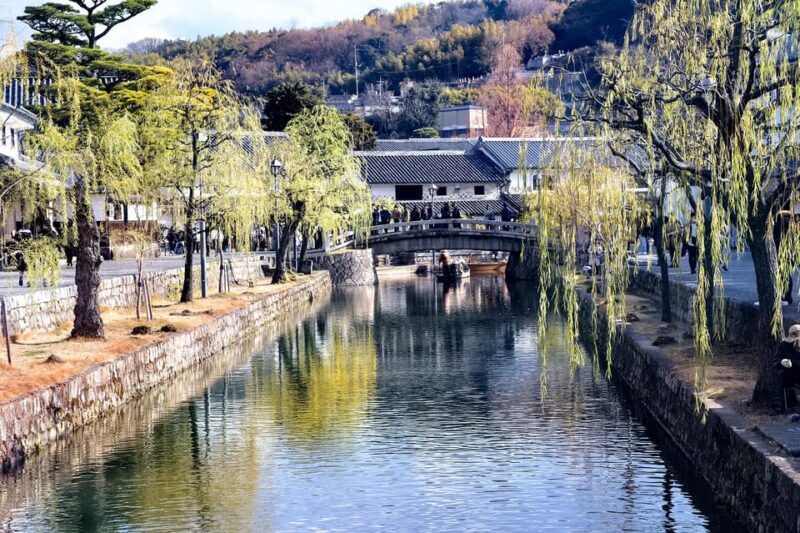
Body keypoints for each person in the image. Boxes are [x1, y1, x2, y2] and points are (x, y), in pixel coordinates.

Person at [770, 325, 800, 415]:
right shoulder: (784, 345)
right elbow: (775, 360)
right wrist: (782, 362)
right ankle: (777, 406)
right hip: (788, 375)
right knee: (776, 373)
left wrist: (793, 363)